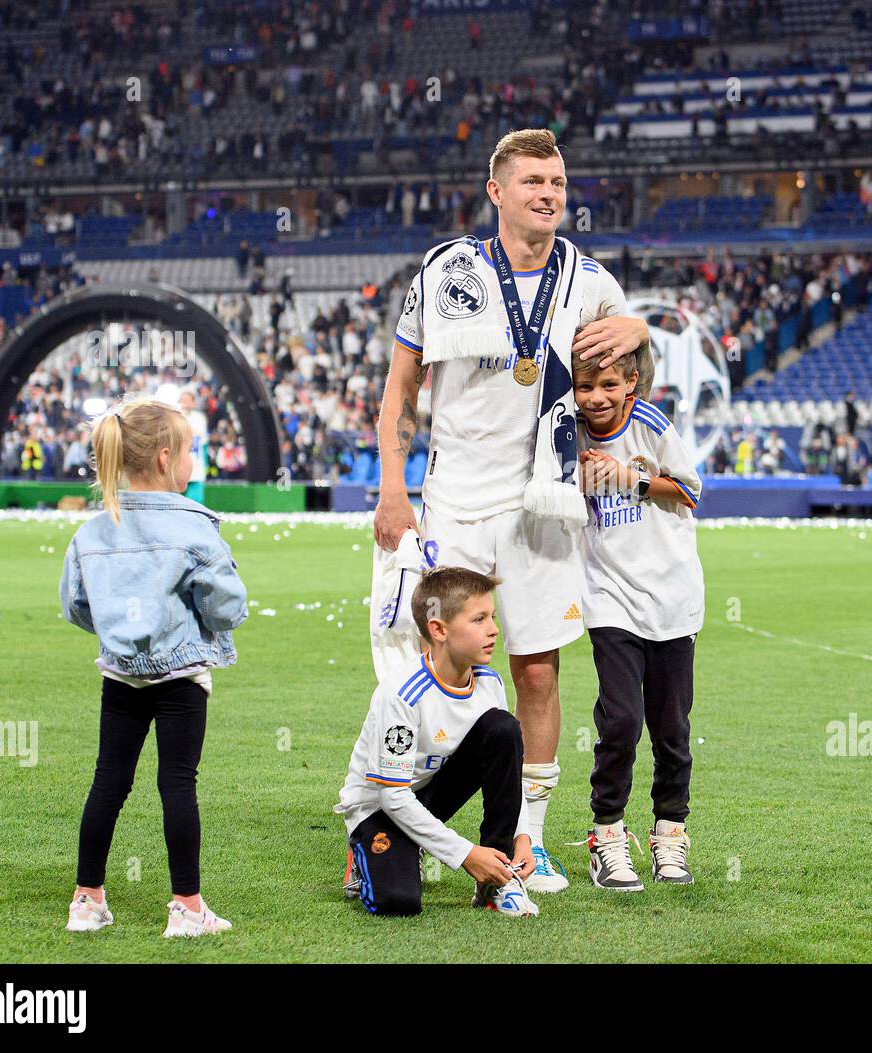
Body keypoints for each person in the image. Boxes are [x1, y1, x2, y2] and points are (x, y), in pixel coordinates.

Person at [372, 128, 651, 894]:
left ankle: (527, 840)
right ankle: (418, 824)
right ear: (497, 191)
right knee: (441, 666)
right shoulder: (446, 270)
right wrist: (393, 487)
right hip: (455, 498)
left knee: (535, 669)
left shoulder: (591, 282)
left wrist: (642, 327)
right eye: (532, 181)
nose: (549, 193)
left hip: (543, 505)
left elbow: (631, 380)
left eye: (558, 182)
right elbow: (400, 391)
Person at [59, 396, 248, 937]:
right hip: (182, 677)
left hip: (119, 674)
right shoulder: (194, 529)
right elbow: (228, 606)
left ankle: (86, 901)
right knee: (178, 785)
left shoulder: (93, 532)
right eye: (190, 451)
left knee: (108, 783)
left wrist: (120, 629)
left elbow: (76, 605)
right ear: (166, 458)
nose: (194, 462)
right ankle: (187, 908)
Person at [572, 346, 703, 890]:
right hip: (609, 597)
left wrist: (631, 480)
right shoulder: (567, 432)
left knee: (671, 729)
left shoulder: (651, 425)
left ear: (631, 384)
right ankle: (607, 836)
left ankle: (670, 834)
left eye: (608, 385)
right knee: (621, 720)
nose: (596, 398)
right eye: (585, 387)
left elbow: (692, 492)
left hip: (673, 599)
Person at [336, 567, 538, 917]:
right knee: (397, 902)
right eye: (478, 619)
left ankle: (497, 884)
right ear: (438, 629)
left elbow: (507, 771)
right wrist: (465, 854)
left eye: (492, 617)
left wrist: (523, 836)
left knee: (504, 729)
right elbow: (393, 795)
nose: (493, 629)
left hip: (431, 796)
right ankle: (366, 853)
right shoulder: (402, 693)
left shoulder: (490, 684)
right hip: (382, 807)